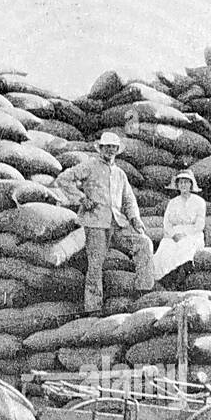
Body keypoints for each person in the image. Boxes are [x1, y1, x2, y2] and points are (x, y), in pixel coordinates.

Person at [53, 131, 155, 313]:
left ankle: (143, 290)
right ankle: (93, 307)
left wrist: (135, 219)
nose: (110, 150)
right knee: (96, 263)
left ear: (117, 151)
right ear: (100, 148)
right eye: (107, 147)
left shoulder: (120, 173)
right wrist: (82, 198)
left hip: (117, 223)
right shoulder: (89, 166)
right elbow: (63, 179)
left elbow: (128, 199)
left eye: (113, 148)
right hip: (95, 223)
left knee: (144, 242)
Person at [153, 169, 206, 288]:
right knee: (165, 247)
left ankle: (180, 280)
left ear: (191, 184)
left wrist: (186, 234)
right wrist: (173, 235)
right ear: (177, 185)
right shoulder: (172, 203)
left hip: (193, 234)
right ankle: (166, 281)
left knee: (186, 247)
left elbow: (200, 224)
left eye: (186, 182)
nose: (183, 185)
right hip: (174, 234)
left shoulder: (199, 202)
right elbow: (167, 223)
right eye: (181, 182)